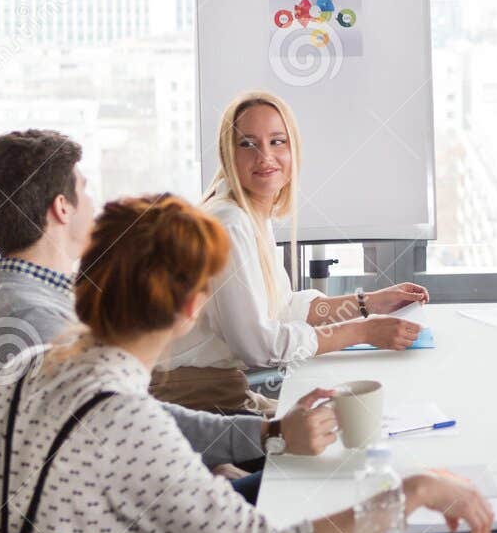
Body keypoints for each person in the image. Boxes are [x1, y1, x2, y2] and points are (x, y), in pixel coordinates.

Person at [0, 194, 494, 533]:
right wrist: (413, 493)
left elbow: (149, 429)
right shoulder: (126, 420)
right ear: (194, 308)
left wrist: (270, 433)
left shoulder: (33, 367)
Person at [0, 131, 336, 511]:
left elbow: (128, 420)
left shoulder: (33, 302)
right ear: (62, 207)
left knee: (310, 472)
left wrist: (213, 463)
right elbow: (123, 435)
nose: (94, 202)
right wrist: (264, 436)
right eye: (85, 188)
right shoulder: (31, 322)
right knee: (321, 484)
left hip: (137, 501)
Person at [155, 91, 428, 413]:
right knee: (331, 429)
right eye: (247, 143)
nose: (264, 156)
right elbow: (258, 345)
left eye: (277, 141)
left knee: (334, 422)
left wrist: (368, 303)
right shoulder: (229, 223)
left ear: (293, 149)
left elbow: (281, 310)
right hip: (189, 393)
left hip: (214, 384)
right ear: (228, 154)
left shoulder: (249, 212)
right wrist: (362, 331)